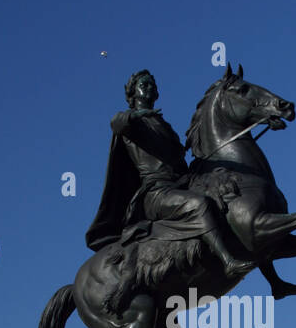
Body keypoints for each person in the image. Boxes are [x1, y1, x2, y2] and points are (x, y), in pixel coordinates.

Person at [86, 70, 256, 277]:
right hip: (156, 193)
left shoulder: (162, 123)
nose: (149, 88)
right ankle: (227, 261)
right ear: (133, 93)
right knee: (199, 204)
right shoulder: (132, 122)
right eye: (143, 85)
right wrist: (136, 114)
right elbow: (117, 123)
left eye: (152, 85)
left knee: (229, 199)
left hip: (181, 183)